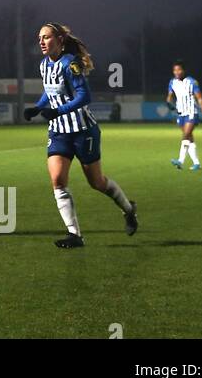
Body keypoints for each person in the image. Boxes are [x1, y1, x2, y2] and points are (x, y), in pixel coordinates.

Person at [25, 22, 137, 249]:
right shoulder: (44, 65)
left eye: (46, 37)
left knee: (97, 182)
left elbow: (84, 97)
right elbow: (50, 91)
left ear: (59, 40)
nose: (41, 42)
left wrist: (58, 111)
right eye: (39, 38)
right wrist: (38, 107)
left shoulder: (71, 64)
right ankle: (75, 235)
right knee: (57, 180)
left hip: (83, 131)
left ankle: (128, 209)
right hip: (59, 132)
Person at [166, 61, 202, 171]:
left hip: (191, 112)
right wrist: (168, 103)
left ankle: (180, 160)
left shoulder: (192, 82)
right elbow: (169, 96)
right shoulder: (172, 82)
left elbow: (199, 98)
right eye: (175, 70)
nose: (177, 72)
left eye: (179, 69)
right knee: (189, 138)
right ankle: (197, 163)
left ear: (184, 70)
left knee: (185, 135)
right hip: (180, 113)